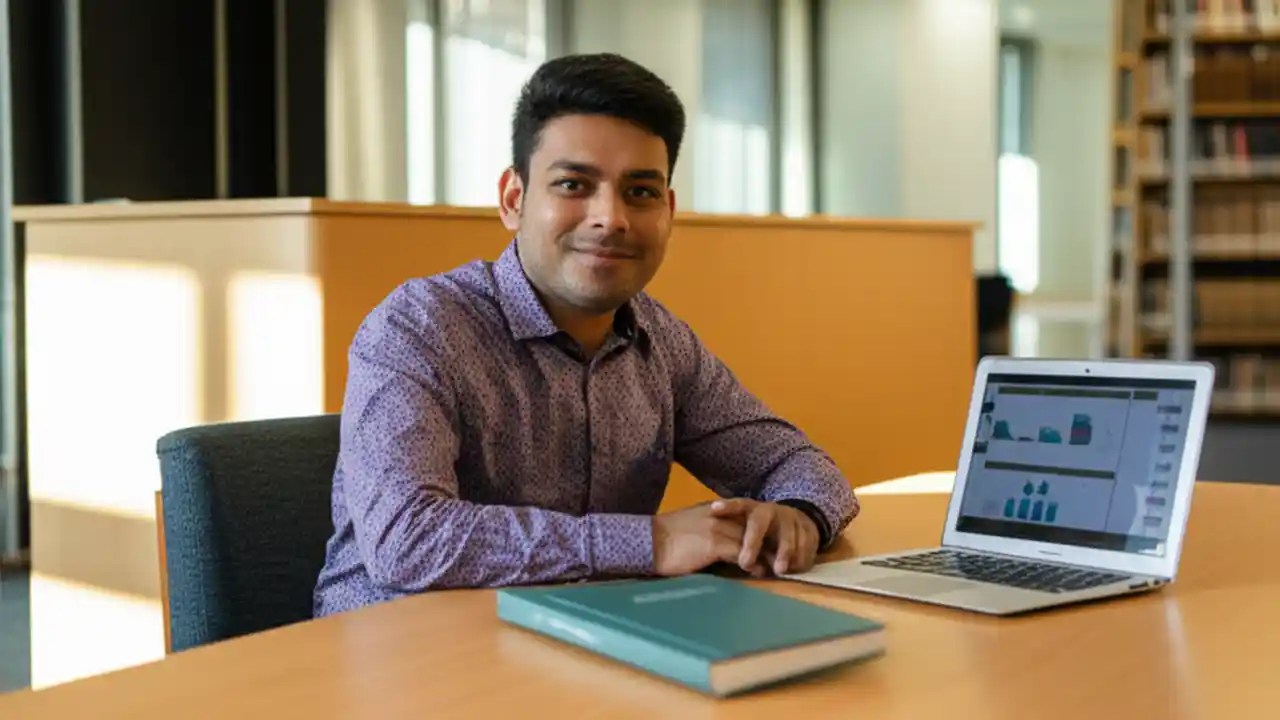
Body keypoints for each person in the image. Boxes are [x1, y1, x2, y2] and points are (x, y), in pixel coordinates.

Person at [314, 53, 858, 616]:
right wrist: (656, 542)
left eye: (640, 192)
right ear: (514, 198)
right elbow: (407, 538)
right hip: (397, 656)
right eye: (574, 184)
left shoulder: (661, 340)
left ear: (668, 211)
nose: (611, 218)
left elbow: (797, 463)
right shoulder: (419, 326)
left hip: (582, 641)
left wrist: (799, 515)